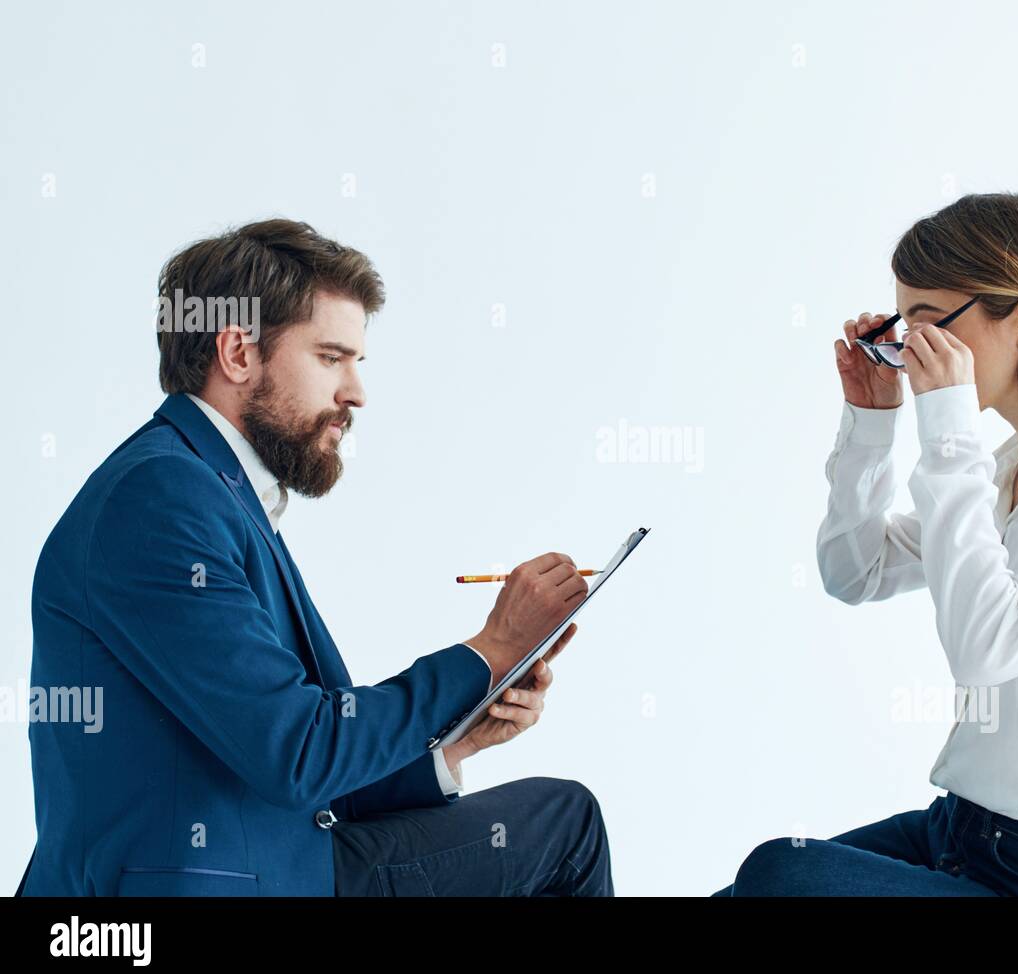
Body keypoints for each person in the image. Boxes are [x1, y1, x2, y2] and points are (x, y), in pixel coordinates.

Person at [17, 219, 612, 897]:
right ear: (239, 353)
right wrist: (489, 651)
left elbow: (292, 761)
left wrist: (458, 743)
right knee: (566, 824)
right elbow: (298, 753)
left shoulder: (208, 488)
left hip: (269, 862)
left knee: (566, 820)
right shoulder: (162, 499)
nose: (355, 392)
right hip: (217, 886)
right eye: (331, 358)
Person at [713, 193, 1018, 897]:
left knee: (780, 876)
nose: (911, 350)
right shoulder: (1003, 469)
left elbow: (988, 647)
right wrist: (872, 423)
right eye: (905, 326)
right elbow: (854, 570)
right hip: (960, 830)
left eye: (930, 326)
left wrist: (949, 427)